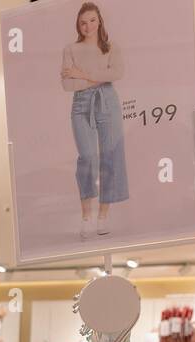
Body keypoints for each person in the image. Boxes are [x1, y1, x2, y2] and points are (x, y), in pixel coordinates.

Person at [61, 2, 129, 239]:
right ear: (78, 25)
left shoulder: (111, 47)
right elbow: (68, 85)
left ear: (99, 20)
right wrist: (99, 77)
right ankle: (86, 217)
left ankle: (103, 217)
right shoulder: (70, 48)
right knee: (87, 157)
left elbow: (117, 73)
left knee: (110, 157)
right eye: (82, 22)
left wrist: (83, 74)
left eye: (91, 20)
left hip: (108, 101)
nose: (87, 26)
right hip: (80, 104)